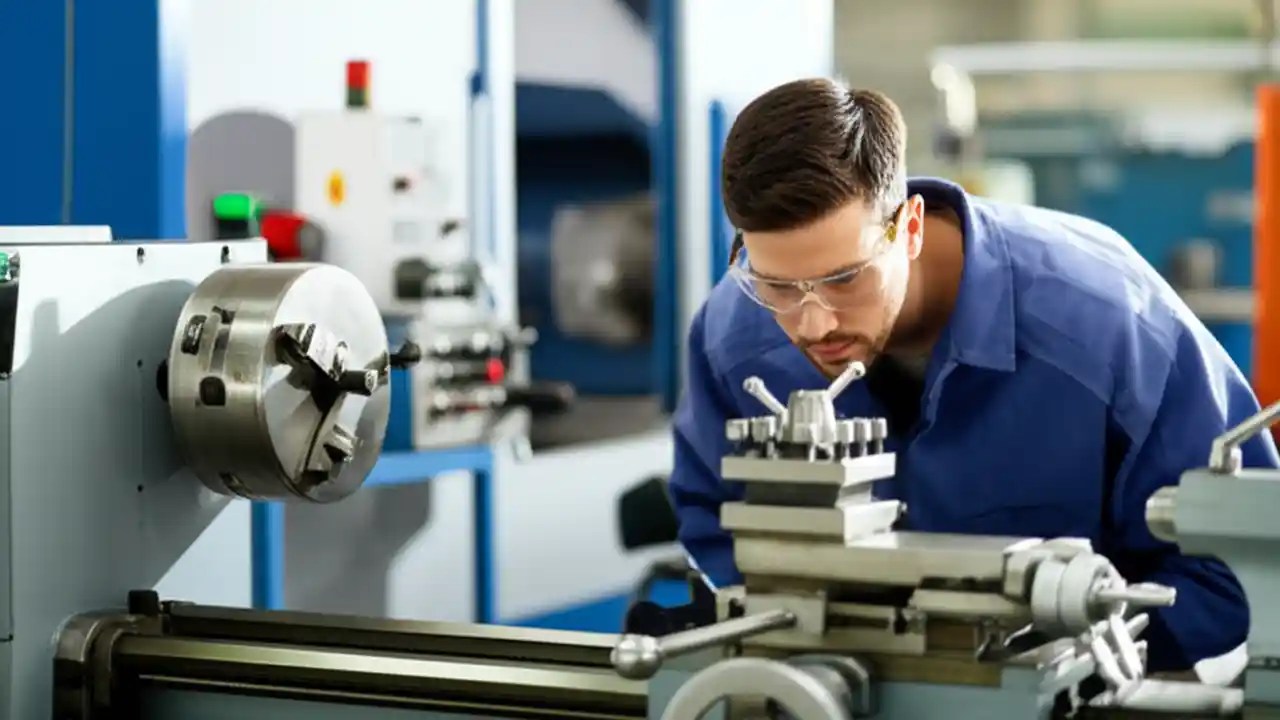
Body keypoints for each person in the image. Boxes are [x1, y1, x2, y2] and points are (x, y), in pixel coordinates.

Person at [668, 77, 1280, 674]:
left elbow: (1236, 562)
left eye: (844, 279)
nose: (812, 321)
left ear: (907, 227)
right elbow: (714, 522)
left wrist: (1085, 666)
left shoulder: (1106, 322)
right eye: (775, 284)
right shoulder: (734, 336)